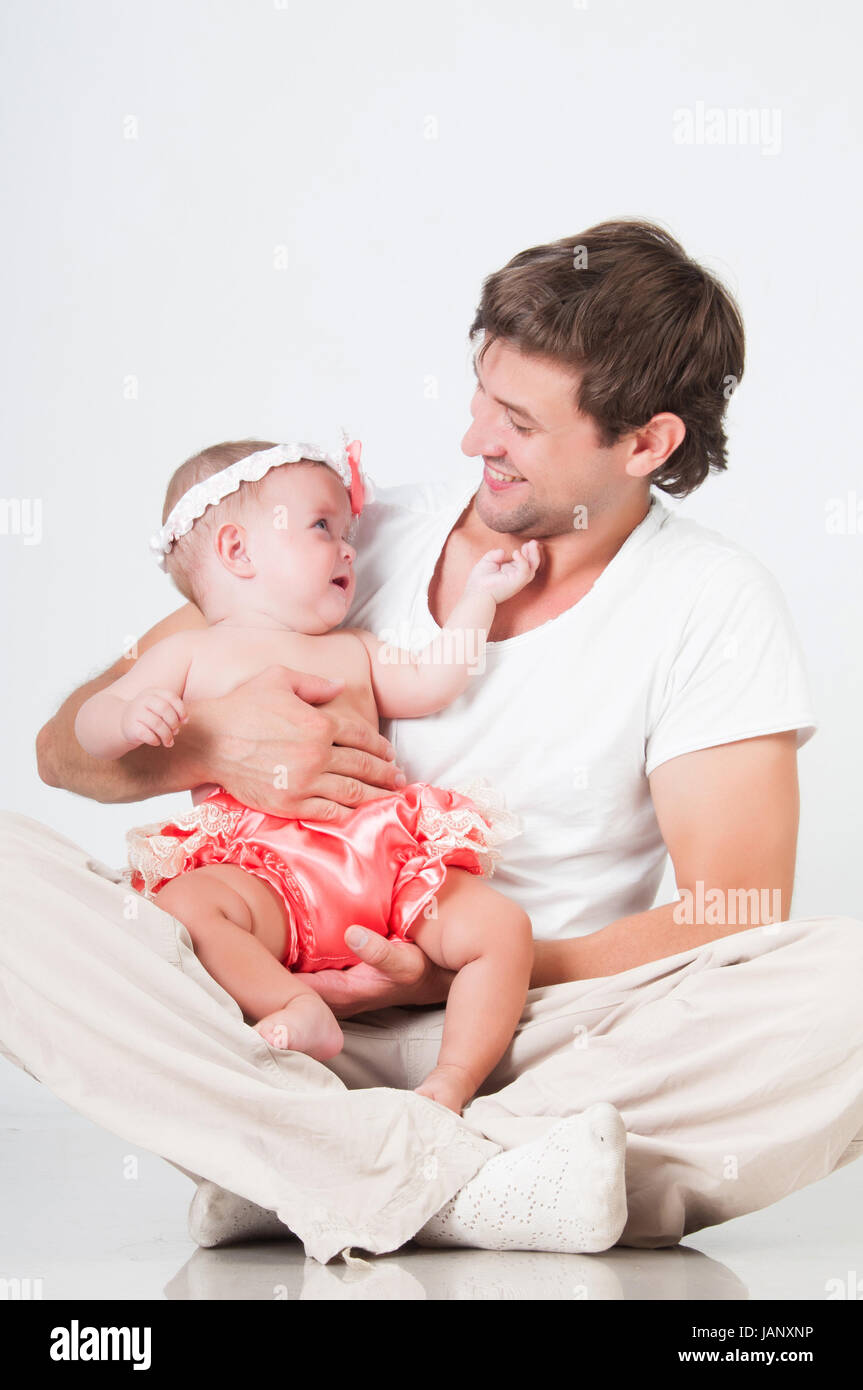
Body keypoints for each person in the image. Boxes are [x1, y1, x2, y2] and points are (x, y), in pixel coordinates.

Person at [11, 218, 863, 1264]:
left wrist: (449, 975)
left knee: (846, 985)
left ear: (644, 443)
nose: (471, 441)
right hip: (278, 1018)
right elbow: (66, 745)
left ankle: (305, 1165)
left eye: (513, 420)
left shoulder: (710, 604)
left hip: (536, 1030)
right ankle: (471, 1175)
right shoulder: (343, 541)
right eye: (478, 396)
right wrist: (211, 750)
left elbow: (732, 916)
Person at [73, 432, 540, 1115]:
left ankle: (453, 1083)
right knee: (188, 910)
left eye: (347, 532)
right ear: (237, 550)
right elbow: (93, 723)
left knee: (502, 929)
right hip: (263, 879)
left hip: (383, 870)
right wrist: (128, 716)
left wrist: (480, 599)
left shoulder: (355, 650)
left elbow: (436, 681)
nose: (348, 548)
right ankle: (296, 1004)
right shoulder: (187, 654)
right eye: (323, 527)